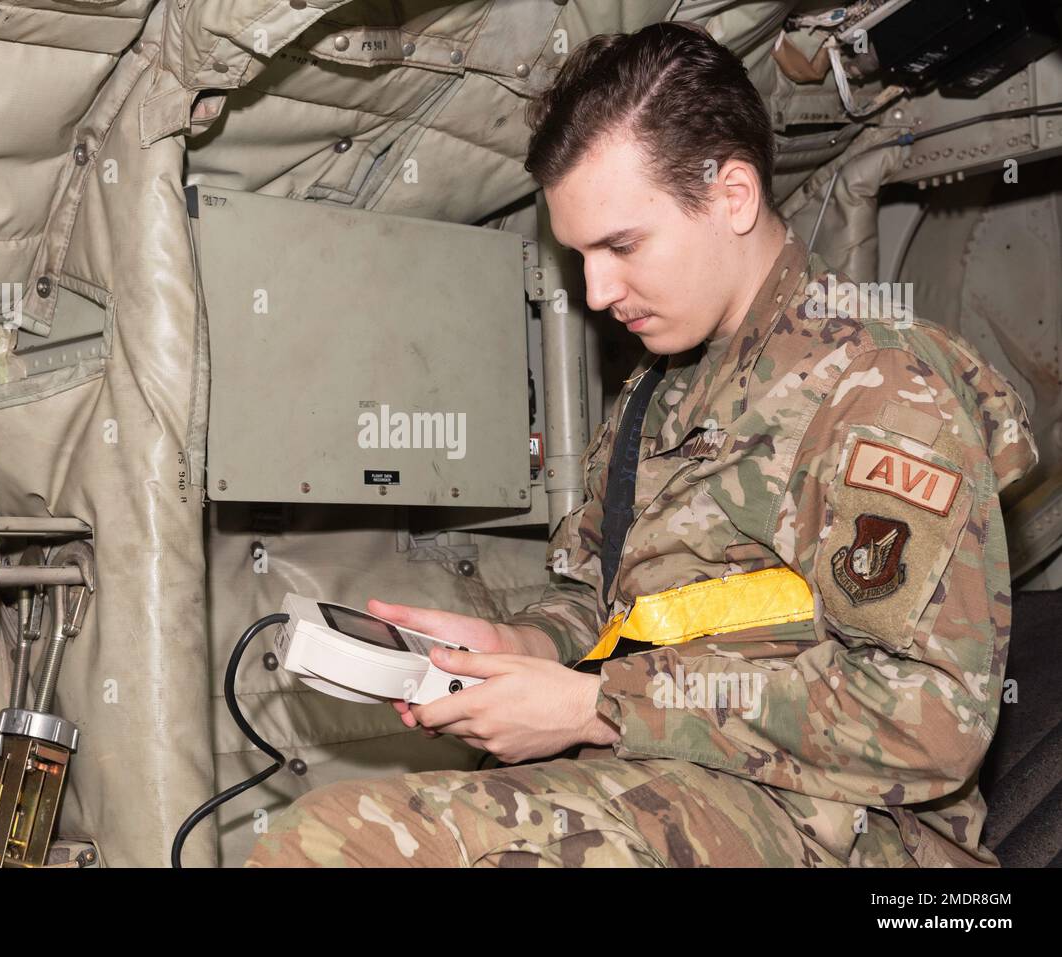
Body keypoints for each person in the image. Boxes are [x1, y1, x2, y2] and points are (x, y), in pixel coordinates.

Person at [244, 22, 1037, 868]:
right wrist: (528, 649)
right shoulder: (658, 394)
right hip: (662, 778)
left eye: (621, 246)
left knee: (341, 842)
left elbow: (931, 719)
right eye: (580, 254)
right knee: (336, 833)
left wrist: (600, 707)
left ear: (732, 196)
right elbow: (605, 604)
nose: (596, 289)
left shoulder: (883, 385)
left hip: (850, 829)